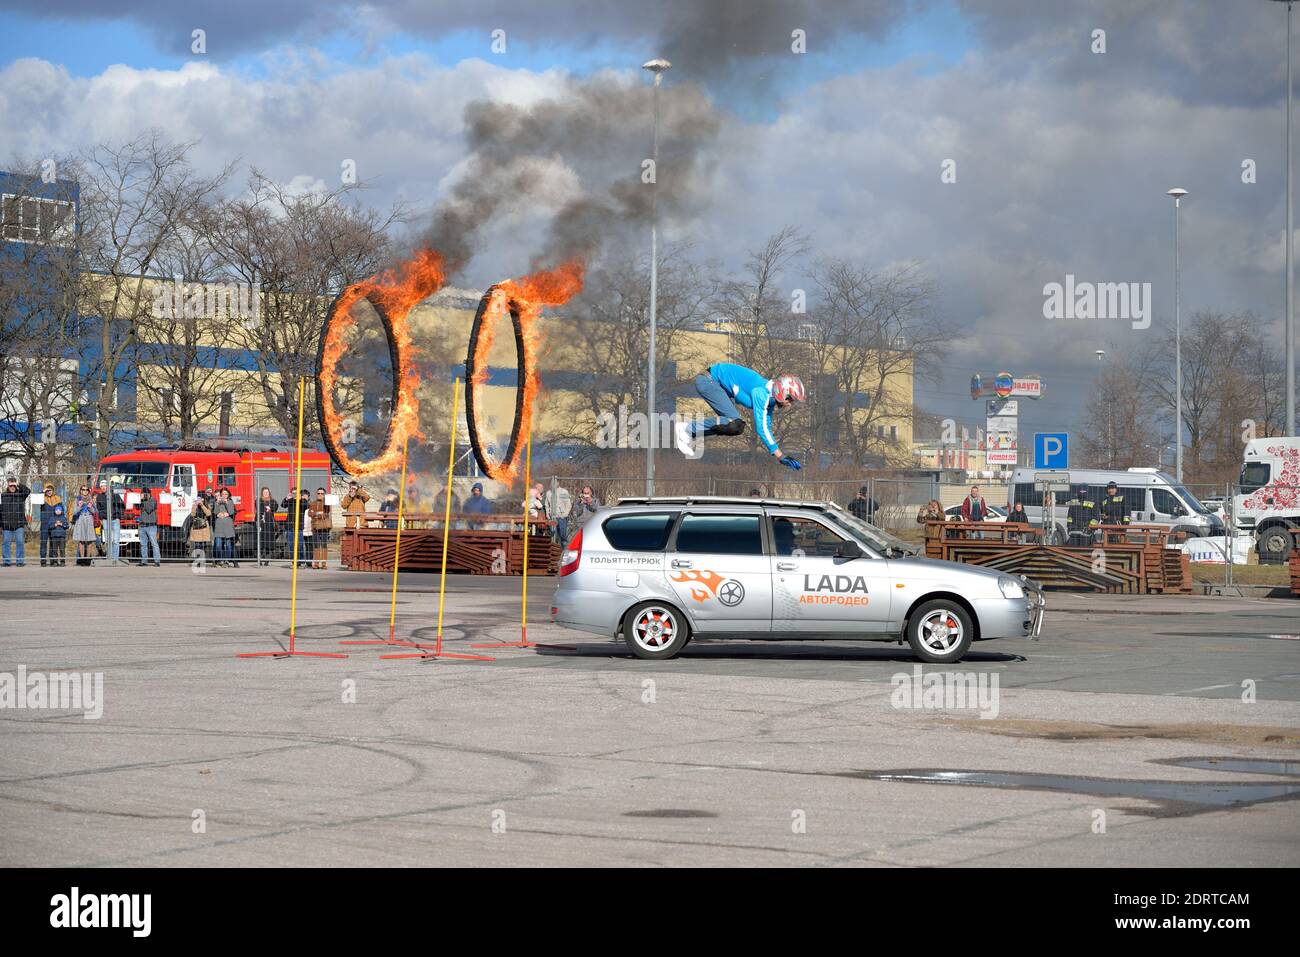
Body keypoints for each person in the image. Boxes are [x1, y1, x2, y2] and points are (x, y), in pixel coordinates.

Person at [674, 362, 806, 469]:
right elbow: (762, 429)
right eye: (790, 399)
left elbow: (767, 427)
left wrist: (779, 454)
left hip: (714, 383)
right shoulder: (763, 394)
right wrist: (780, 456)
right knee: (734, 423)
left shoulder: (769, 399)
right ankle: (686, 429)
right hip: (709, 382)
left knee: (736, 427)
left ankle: (690, 432)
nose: (790, 404)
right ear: (782, 391)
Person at [1, 475, 31, 567]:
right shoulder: (3, 496)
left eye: (14, 486)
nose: (12, 487)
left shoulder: (21, 495)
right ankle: (6, 561)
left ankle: (20, 561)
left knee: (20, 542)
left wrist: (18, 484)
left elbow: (28, 491)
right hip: (6, 525)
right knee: (6, 543)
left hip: (19, 524)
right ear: (8, 486)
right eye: (11, 486)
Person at [39, 484, 67, 567]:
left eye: (50, 490)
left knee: (53, 543)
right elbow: (35, 500)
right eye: (47, 490)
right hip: (44, 524)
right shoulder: (42, 498)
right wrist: (42, 492)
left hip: (54, 524)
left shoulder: (57, 499)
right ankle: (43, 561)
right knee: (43, 542)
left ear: (53, 490)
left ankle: (53, 560)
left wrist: (60, 522)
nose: (49, 492)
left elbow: (61, 512)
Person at [96, 484, 125, 564]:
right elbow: (98, 509)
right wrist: (101, 518)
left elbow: (122, 506)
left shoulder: (115, 495)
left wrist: (119, 516)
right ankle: (110, 558)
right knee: (108, 540)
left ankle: (115, 559)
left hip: (115, 519)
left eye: (104, 486)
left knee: (116, 540)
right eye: (101, 486)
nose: (103, 487)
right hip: (105, 520)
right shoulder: (99, 497)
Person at [71, 486, 98, 566]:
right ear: (80, 491)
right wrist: (80, 506)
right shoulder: (77, 499)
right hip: (80, 519)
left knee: (89, 540)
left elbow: (94, 511)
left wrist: (90, 507)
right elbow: (74, 512)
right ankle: (82, 559)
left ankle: (88, 559)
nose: (85, 491)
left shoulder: (91, 500)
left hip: (89, 519)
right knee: (81, 540)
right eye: (83, 490)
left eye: (87, 490)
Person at [212, 488, 238, 567]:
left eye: (226, 494)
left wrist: (226, 503)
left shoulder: (230, 502)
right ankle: (220, 560)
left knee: (228, 544)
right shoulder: (217, 502)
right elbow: (215, 512)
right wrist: (217, 504)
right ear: (220, 494)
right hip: (219, 525)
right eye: (223, 494)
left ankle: (227, 561)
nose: (224, 495)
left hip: (228, 525)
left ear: (228, 495)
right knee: (219, 544)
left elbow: (231, 512)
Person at [136, 490, 161, 567]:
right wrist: (137, 500)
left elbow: (149, 509)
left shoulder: (153, 500)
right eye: (143, 494)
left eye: (145, 494)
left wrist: (144, 500)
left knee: (154, 544)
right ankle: (144, 561)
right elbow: (137, 508)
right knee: (143, 544)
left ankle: (157, 561)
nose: (144, 496)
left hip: (151, 526)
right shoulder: (142, 501)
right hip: (142, 525)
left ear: (149, 494)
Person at [187, 493, 213, 564]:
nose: (199, 500)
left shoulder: (207, 505)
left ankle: (202, 559)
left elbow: (208, 514)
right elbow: (192, 514)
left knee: (203, 544)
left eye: (200, 498)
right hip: (196, 528)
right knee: (197, 544)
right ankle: (198, 560)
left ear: (203, 499)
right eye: (198, 498)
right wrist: (195, 506)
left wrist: (202, 505)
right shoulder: (194, 505)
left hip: (204, 528)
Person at [309, 487, 331, 569]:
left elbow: (327, 513)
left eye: (322, 493)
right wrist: (320, 514)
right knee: (316, 545)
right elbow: (309, 513)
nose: (320, 495)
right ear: (316, 494)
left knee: (324, 545)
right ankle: (317, 563)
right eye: (318, 493)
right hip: (315, 527)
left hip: (324, 527)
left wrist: (316, 514)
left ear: (324, 494)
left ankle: (324, 563)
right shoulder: (313, 503)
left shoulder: (327, 503)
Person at [256, 487, 278, 565]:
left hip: (269, 524)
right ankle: (260, 559)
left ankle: (267, 560)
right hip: (261, 524)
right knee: (261, 542)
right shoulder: (259, 501)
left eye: (267, 492)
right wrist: (266, 507)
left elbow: (275, 508)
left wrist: (270, 507)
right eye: (264, 492)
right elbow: (259, 508)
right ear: (262, 493)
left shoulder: (273, 501)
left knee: (269, 542)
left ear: (269, 493)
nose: (266, 493)